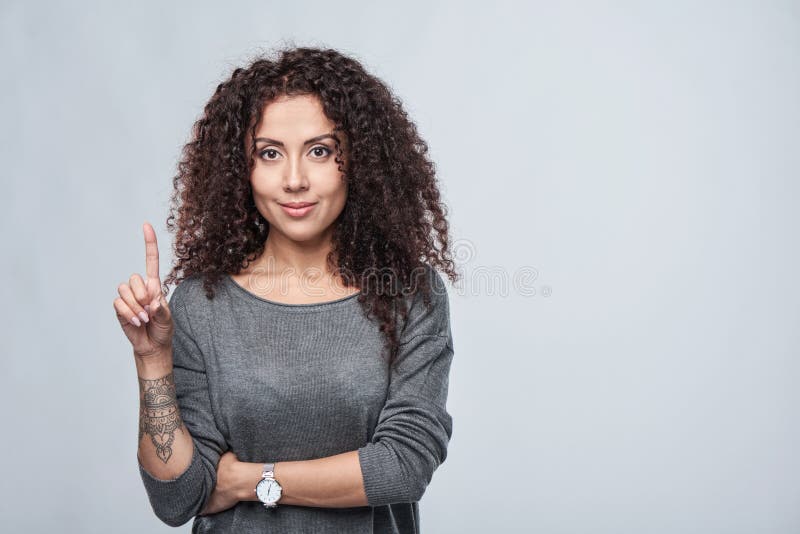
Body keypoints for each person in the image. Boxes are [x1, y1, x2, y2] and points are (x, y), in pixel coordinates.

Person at [114, 45, 459, 533]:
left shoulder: (410, 293)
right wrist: (151, 361)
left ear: (358, 160)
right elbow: (178, 497)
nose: (294, 180)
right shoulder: (200, 302)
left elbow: (402, 467)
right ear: (242, 169)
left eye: (320, 151)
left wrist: (250, 480)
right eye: (270, 153)